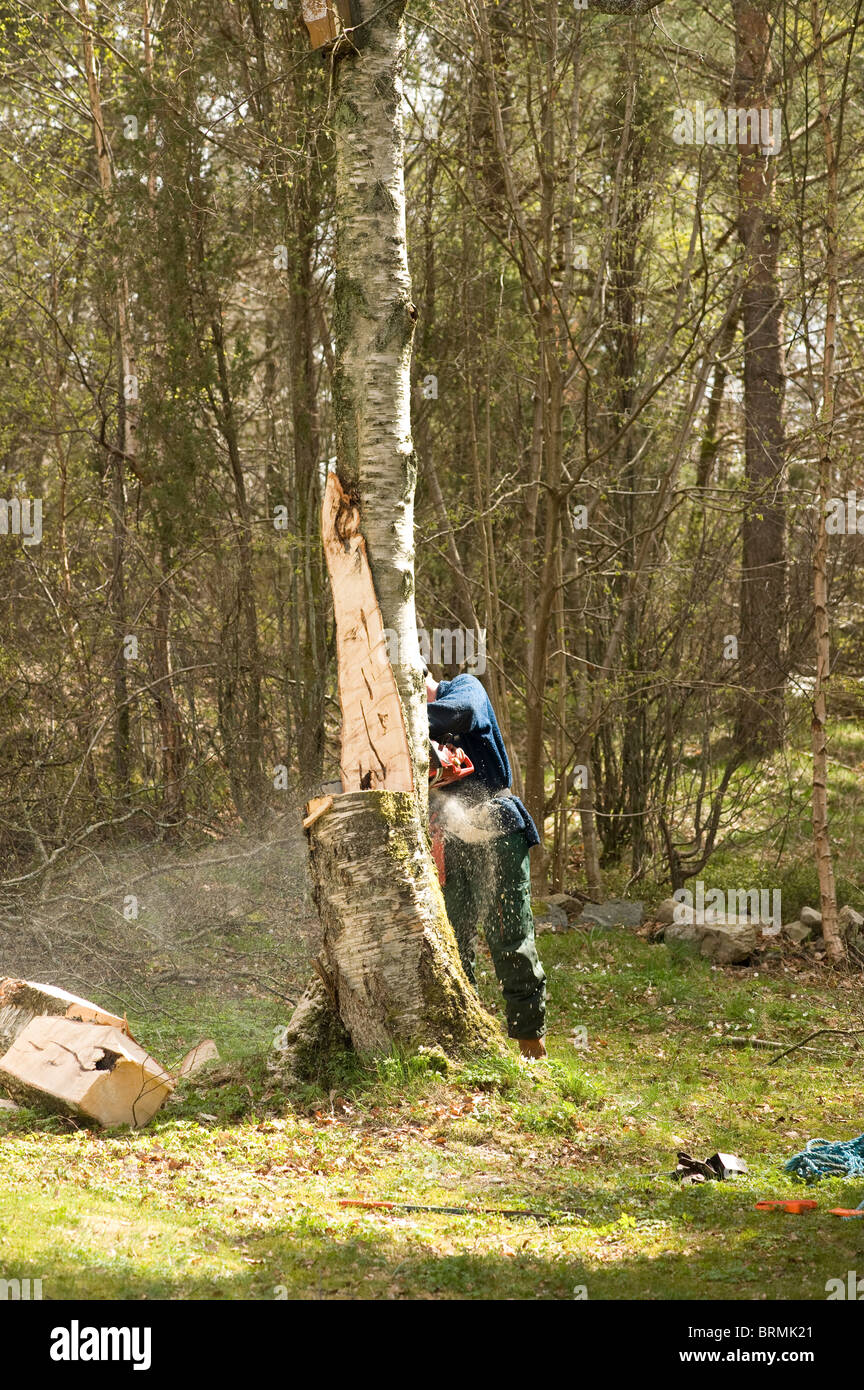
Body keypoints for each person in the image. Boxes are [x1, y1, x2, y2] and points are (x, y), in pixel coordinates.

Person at [426, 667, 547, 1059]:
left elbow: (460, 712)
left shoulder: (463, 688)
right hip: (451, 834)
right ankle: (466, 1034)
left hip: (496, 821)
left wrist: (410, 720)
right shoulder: (417, 732)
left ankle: (531, 1042)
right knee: (453, 939)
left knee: (509, 934)